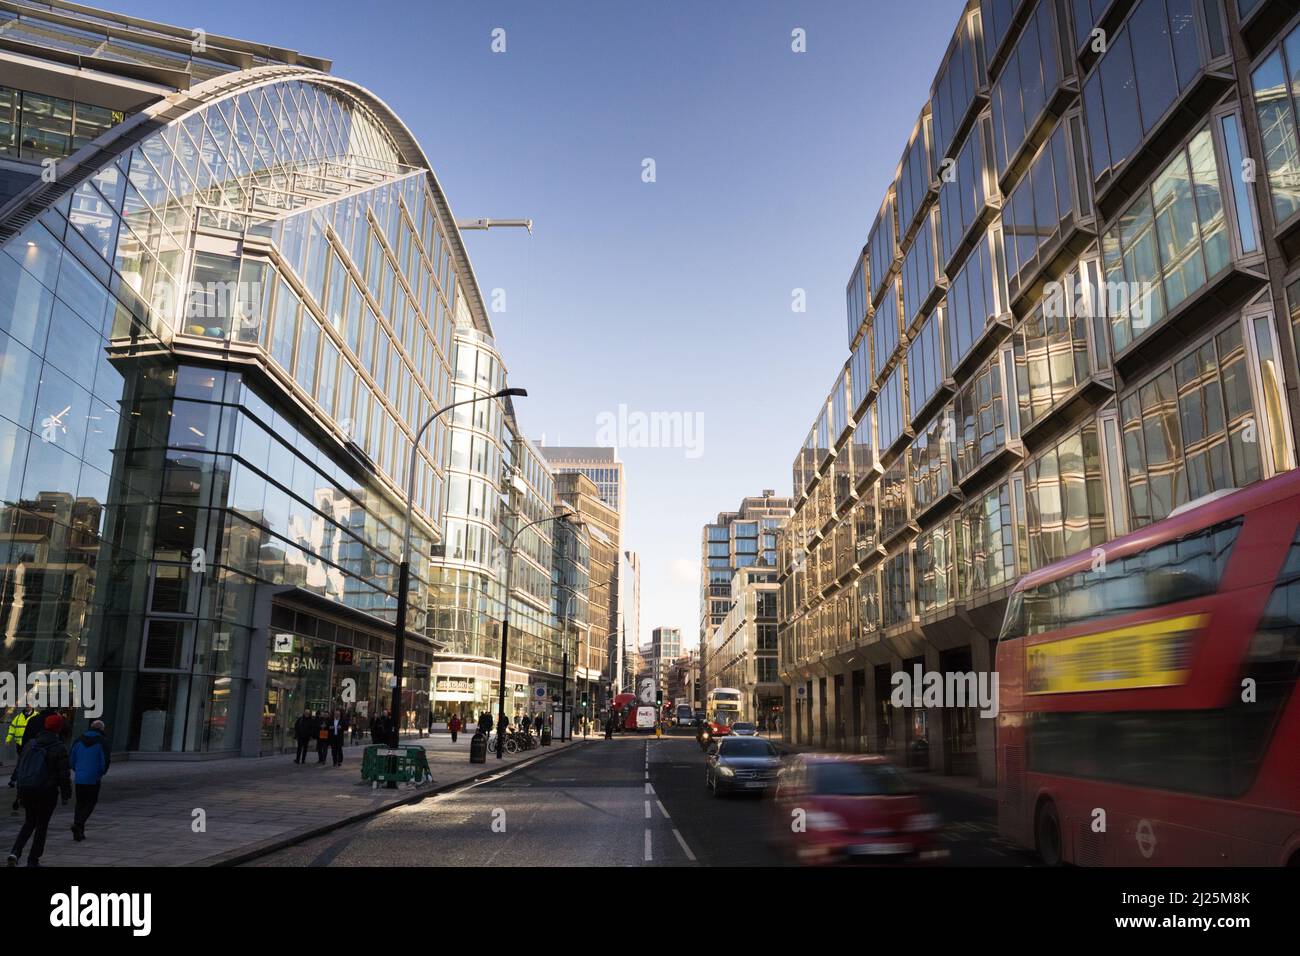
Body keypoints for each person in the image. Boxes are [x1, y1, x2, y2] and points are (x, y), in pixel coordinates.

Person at [7, 714, 71, 867]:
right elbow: (63, 774)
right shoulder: (58, 747)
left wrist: (19, 790)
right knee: (41, 826)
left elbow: (21, 766)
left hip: (27, 789)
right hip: (46, 791)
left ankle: (15, 852)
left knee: (29, 822)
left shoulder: (31, 744)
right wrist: (65, 794)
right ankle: (33, 860)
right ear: (58, 728)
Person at [68, 719, 110, 842]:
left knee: (80, 803)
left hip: (80, 777)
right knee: (90, 803)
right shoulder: (102, 741)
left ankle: (79, 830)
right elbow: (104, 761)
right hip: (94, 777)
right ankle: (78, 825)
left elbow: (72, 759)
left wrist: (78, 770)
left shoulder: (79, 740)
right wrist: (101, 773)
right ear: (101, 729)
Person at [6, 705, 34, 808]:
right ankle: (16, 783)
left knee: (22, 764)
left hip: (30, 745)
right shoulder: (18, 717)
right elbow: (12, 729)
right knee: (22, 764)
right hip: (21, 745)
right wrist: (8, 739)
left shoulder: (35, 716)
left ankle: (15, 781)